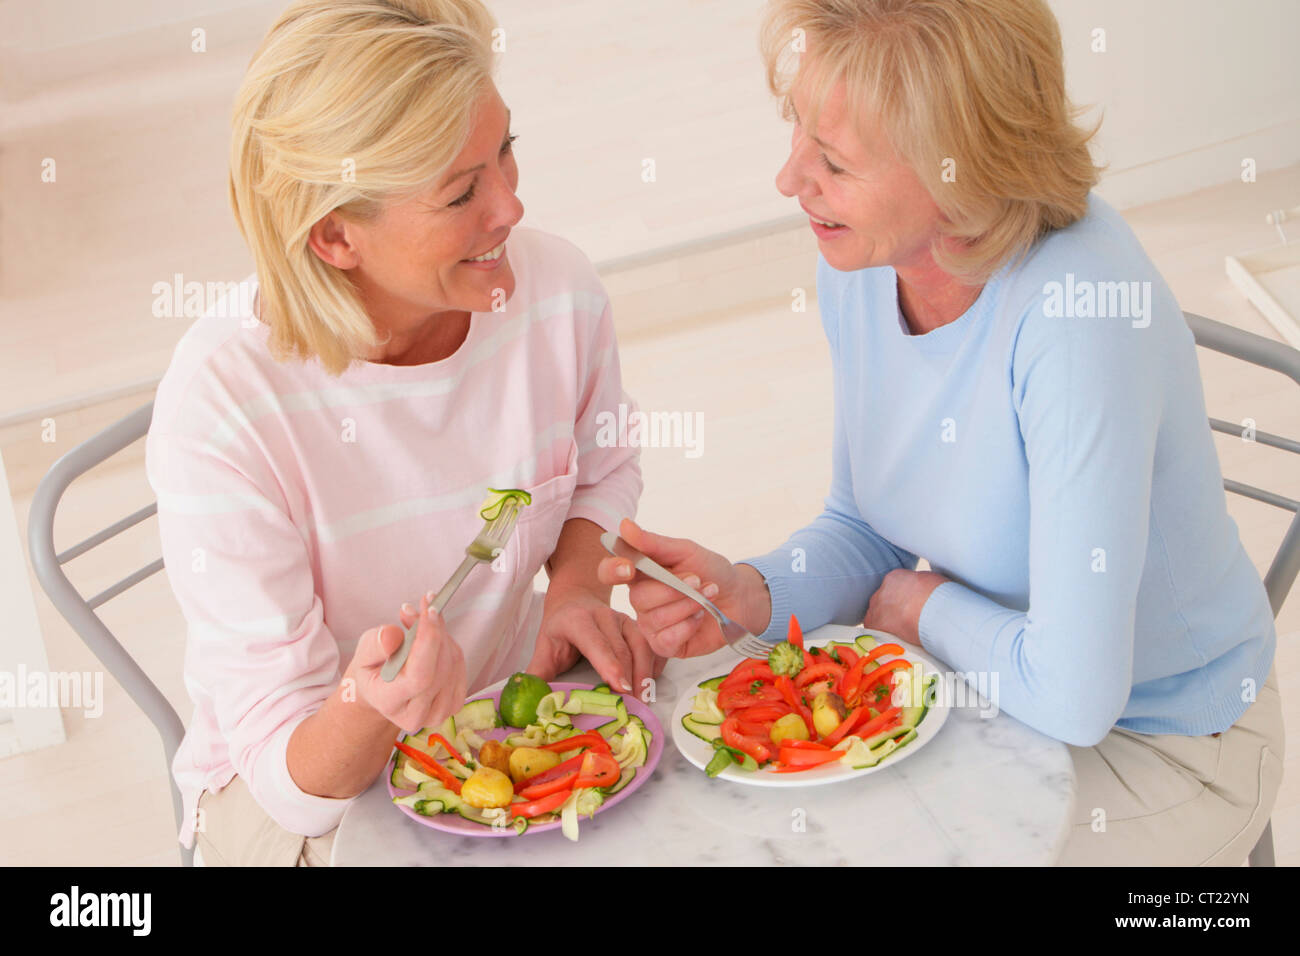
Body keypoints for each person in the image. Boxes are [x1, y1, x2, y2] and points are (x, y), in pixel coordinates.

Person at [599, 0, 1284, 866]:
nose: (788, 180)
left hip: (1165, 744)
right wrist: (749, 592)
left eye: (833, 161)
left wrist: (926, 606)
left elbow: (1076, 698)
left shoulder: (1077, 322)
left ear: (960, 175)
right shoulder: (865, 259)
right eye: (798, 135)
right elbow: (868, 526)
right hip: (995, 689)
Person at [146, 0, 656, 866]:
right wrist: (376, 708)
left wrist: (574, 588)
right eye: (462, 192)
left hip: (482, 726)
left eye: (507, 153)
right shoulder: (220, 409)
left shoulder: (555, 290)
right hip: (305, 801)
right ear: (336, 235)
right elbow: (285, 780)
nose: (511, 206)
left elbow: (601, 473)